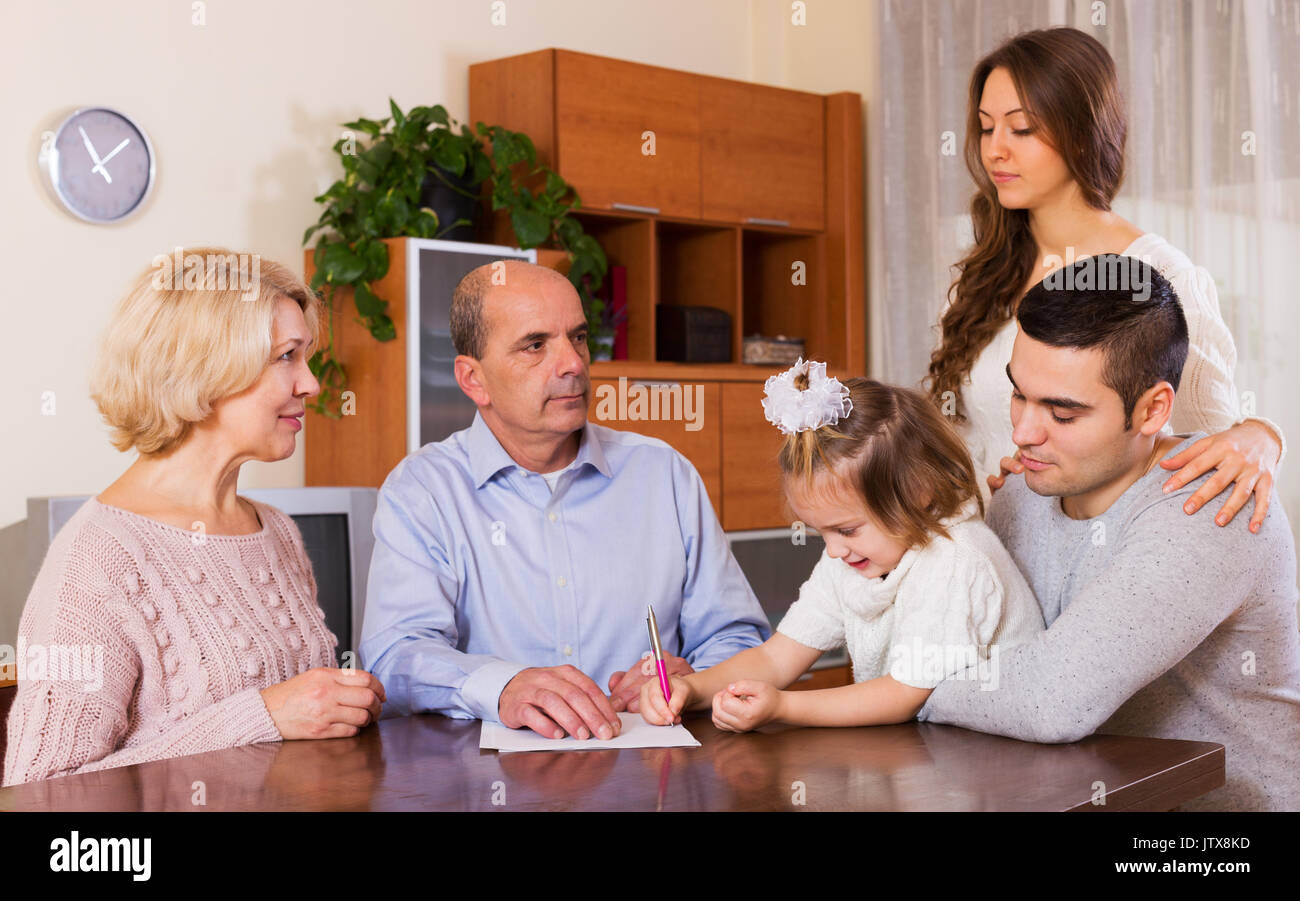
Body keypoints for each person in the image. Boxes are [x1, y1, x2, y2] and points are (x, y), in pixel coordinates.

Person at [917, 255, 1300, 811]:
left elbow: (1053, 699)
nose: (1024, 432)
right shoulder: (1024, 492)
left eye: (1063, 414)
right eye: (1019, 394)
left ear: (1152, 410)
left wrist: (907, 685)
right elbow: (990, 645)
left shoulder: (1212, 501)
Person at [4, 248, 385, 786]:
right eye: (286, 357)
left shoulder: (274, 530)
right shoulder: (94, 560)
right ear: (206, 369)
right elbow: (40, 790)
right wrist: (265, 716)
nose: (311, 384)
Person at [359, 260, 770, 741]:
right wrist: (504, 686)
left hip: (653, 778)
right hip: (489, 788)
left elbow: (738, 639)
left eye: (577, 337)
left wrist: (691, 685)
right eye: (536, 345)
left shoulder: (664, 474)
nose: (573, 364)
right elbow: (398, 655)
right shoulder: (422, 491)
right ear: (474, 380)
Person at [927, 26, 1285, 530]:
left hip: (1096, 560)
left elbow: (1216, 445)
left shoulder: (1158, 277)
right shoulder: (985, 273)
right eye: (986, 128)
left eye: (1021, 128)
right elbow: (958, 440)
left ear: (1081, 131)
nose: (995, 151)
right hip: (989, 553)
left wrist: (1264, 436)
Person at [639, 360, 1044, 732]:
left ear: (918, 492)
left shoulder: (956, 560)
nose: (833, 551)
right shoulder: (852, 558)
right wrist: (691, 690)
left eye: (846, 530)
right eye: (821, 534)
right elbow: (776, 658)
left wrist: (783, 707)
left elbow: (903, 695)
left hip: (1002, 762)